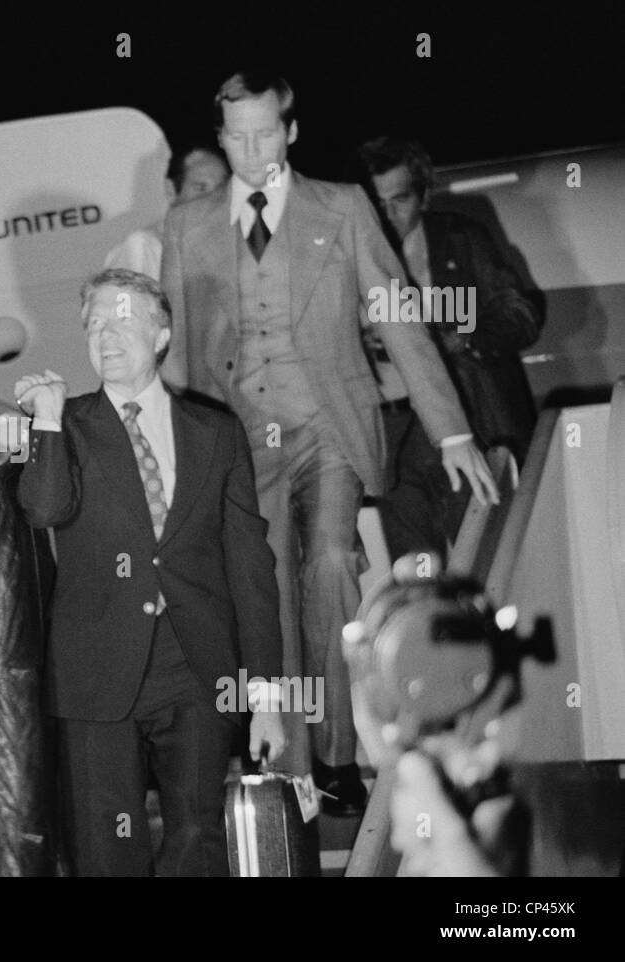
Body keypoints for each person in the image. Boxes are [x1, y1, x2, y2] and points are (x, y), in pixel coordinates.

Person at [160, 71, 499, 816]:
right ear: (220, 137)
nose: (251, 150)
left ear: (290, 131)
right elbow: (180, 352)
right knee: (267, 594)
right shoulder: (186, 226)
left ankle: (343, 752)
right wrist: (174, 458)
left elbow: (398, 317)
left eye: (264, 132)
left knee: (330, 566)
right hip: (240, 440)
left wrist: (453, 432)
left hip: (329, 426)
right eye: (235, 136)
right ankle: (298, 767)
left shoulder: (342, 208)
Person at [15, 267, 285, 875]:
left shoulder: (214, 431)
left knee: (198, 837)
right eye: (94, 325)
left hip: (196, 666)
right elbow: (45, 509)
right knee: (105, 850)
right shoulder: (68, 426)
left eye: (124, 320)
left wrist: (265, 695)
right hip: (94, 670)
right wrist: (48, 419)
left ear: (163, 335)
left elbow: (251, 566)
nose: (106, 336)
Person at [360, 136, 543, 560]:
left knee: (483, 554)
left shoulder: (460, 239)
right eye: (377, 203)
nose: (388, 215)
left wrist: (460, 339)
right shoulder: (352, 255)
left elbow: (521, 315)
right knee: (414, 569)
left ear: (423, 197)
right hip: (392, 438)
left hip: (468, 422)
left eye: (399, 199)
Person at [103, 143, 229, 278]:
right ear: (171, 190)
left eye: (220, 189)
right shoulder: (142, 248)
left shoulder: (231, 243)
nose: (213, 199)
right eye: (201, 188)